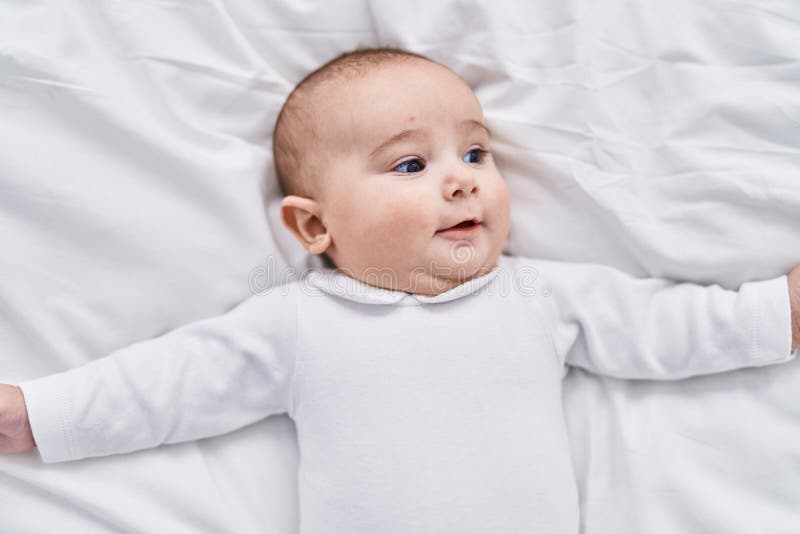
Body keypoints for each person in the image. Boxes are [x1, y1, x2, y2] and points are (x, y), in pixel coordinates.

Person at [1, 47, 798, 533]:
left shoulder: (541, 296)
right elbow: (164, 385)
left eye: (476, 155)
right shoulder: (294, 323)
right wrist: (41, 414)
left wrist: (778, 312)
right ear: (314, 229)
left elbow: (667, 328)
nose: (461, 183)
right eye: (410, 165)